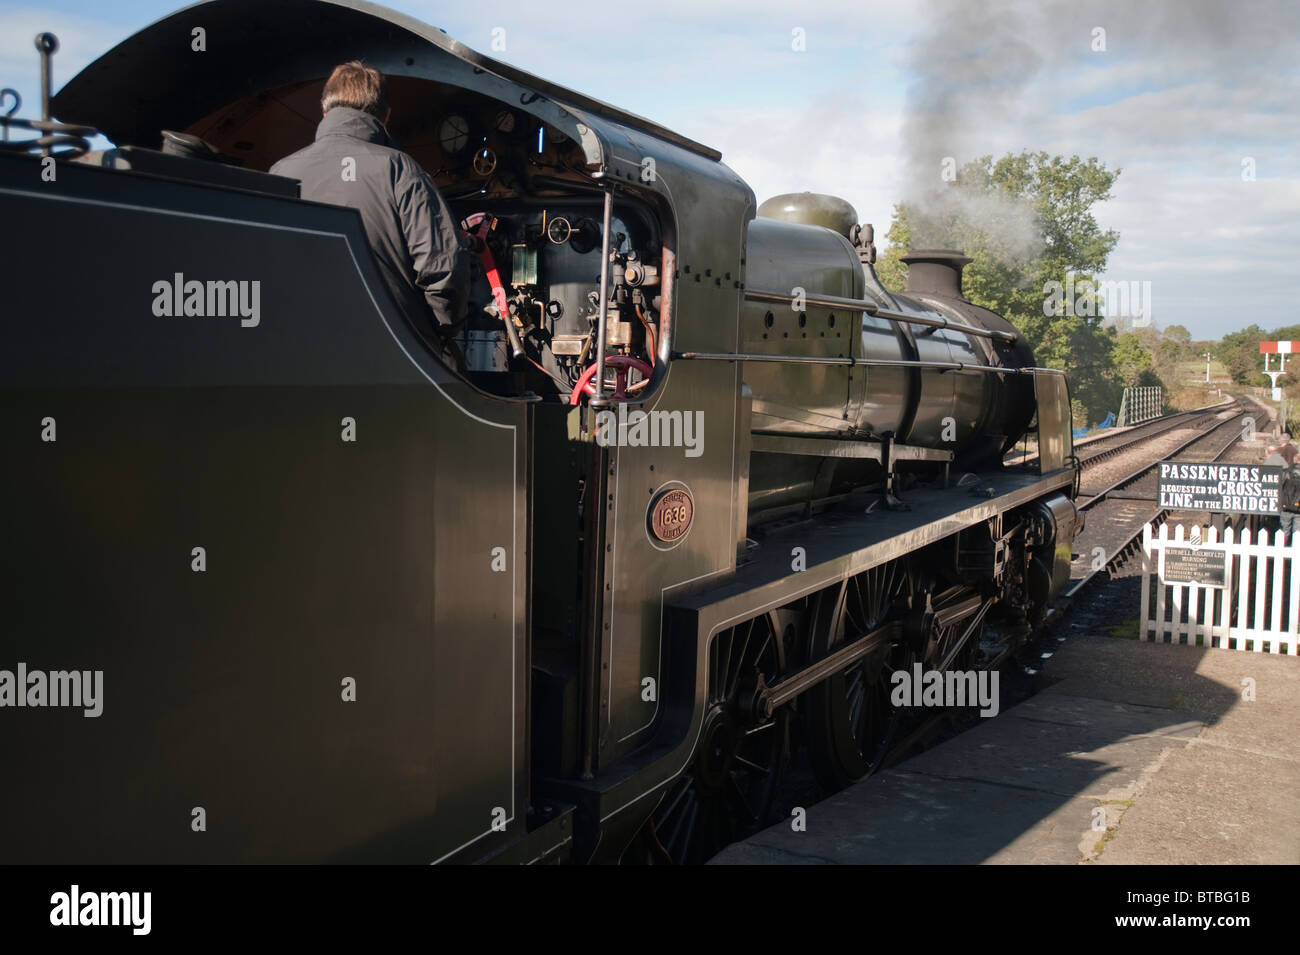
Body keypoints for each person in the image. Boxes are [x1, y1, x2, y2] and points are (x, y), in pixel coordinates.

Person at [271, 61, 468, 355]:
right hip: (390, 356)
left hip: (297, 354)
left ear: (324, 112)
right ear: (385, 116)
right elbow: (444, 270)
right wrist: (436, 335)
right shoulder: (400, 170)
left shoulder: (279, 173)